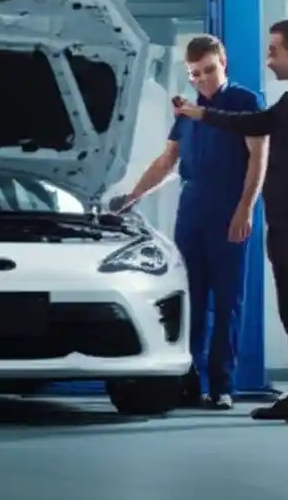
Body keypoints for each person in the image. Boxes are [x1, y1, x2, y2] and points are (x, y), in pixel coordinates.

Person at [173, 18, 288, 425]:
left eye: (274, 51)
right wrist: (201, 114)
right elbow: (254, 123)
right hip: (283, 224)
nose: (268, 59)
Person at [113, 35, 267, 410]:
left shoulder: (247, 103)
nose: (202, 80)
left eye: (209, 71)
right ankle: (189, 384)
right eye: (195, 74)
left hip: (229, 208)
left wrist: (245, 209)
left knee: (228, 300)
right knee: (190, 300)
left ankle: (222, 386)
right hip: (192, 210)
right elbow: (167, 163)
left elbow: (258, 159)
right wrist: (131, 197)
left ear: (223, 62)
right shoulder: (188, 112)